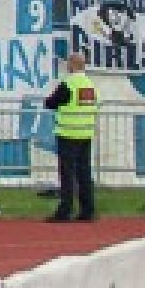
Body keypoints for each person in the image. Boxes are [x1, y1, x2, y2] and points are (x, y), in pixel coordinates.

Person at [43, 49, 99, 222]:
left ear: (73, 65)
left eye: (68, 63)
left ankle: (65, 210)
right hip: (86, 134)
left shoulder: (68, 84)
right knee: (84, 173)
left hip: (68, 133)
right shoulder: (90, 85)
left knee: (67, 174)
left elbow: (50, 102)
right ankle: (87, 209)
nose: (67, 66)